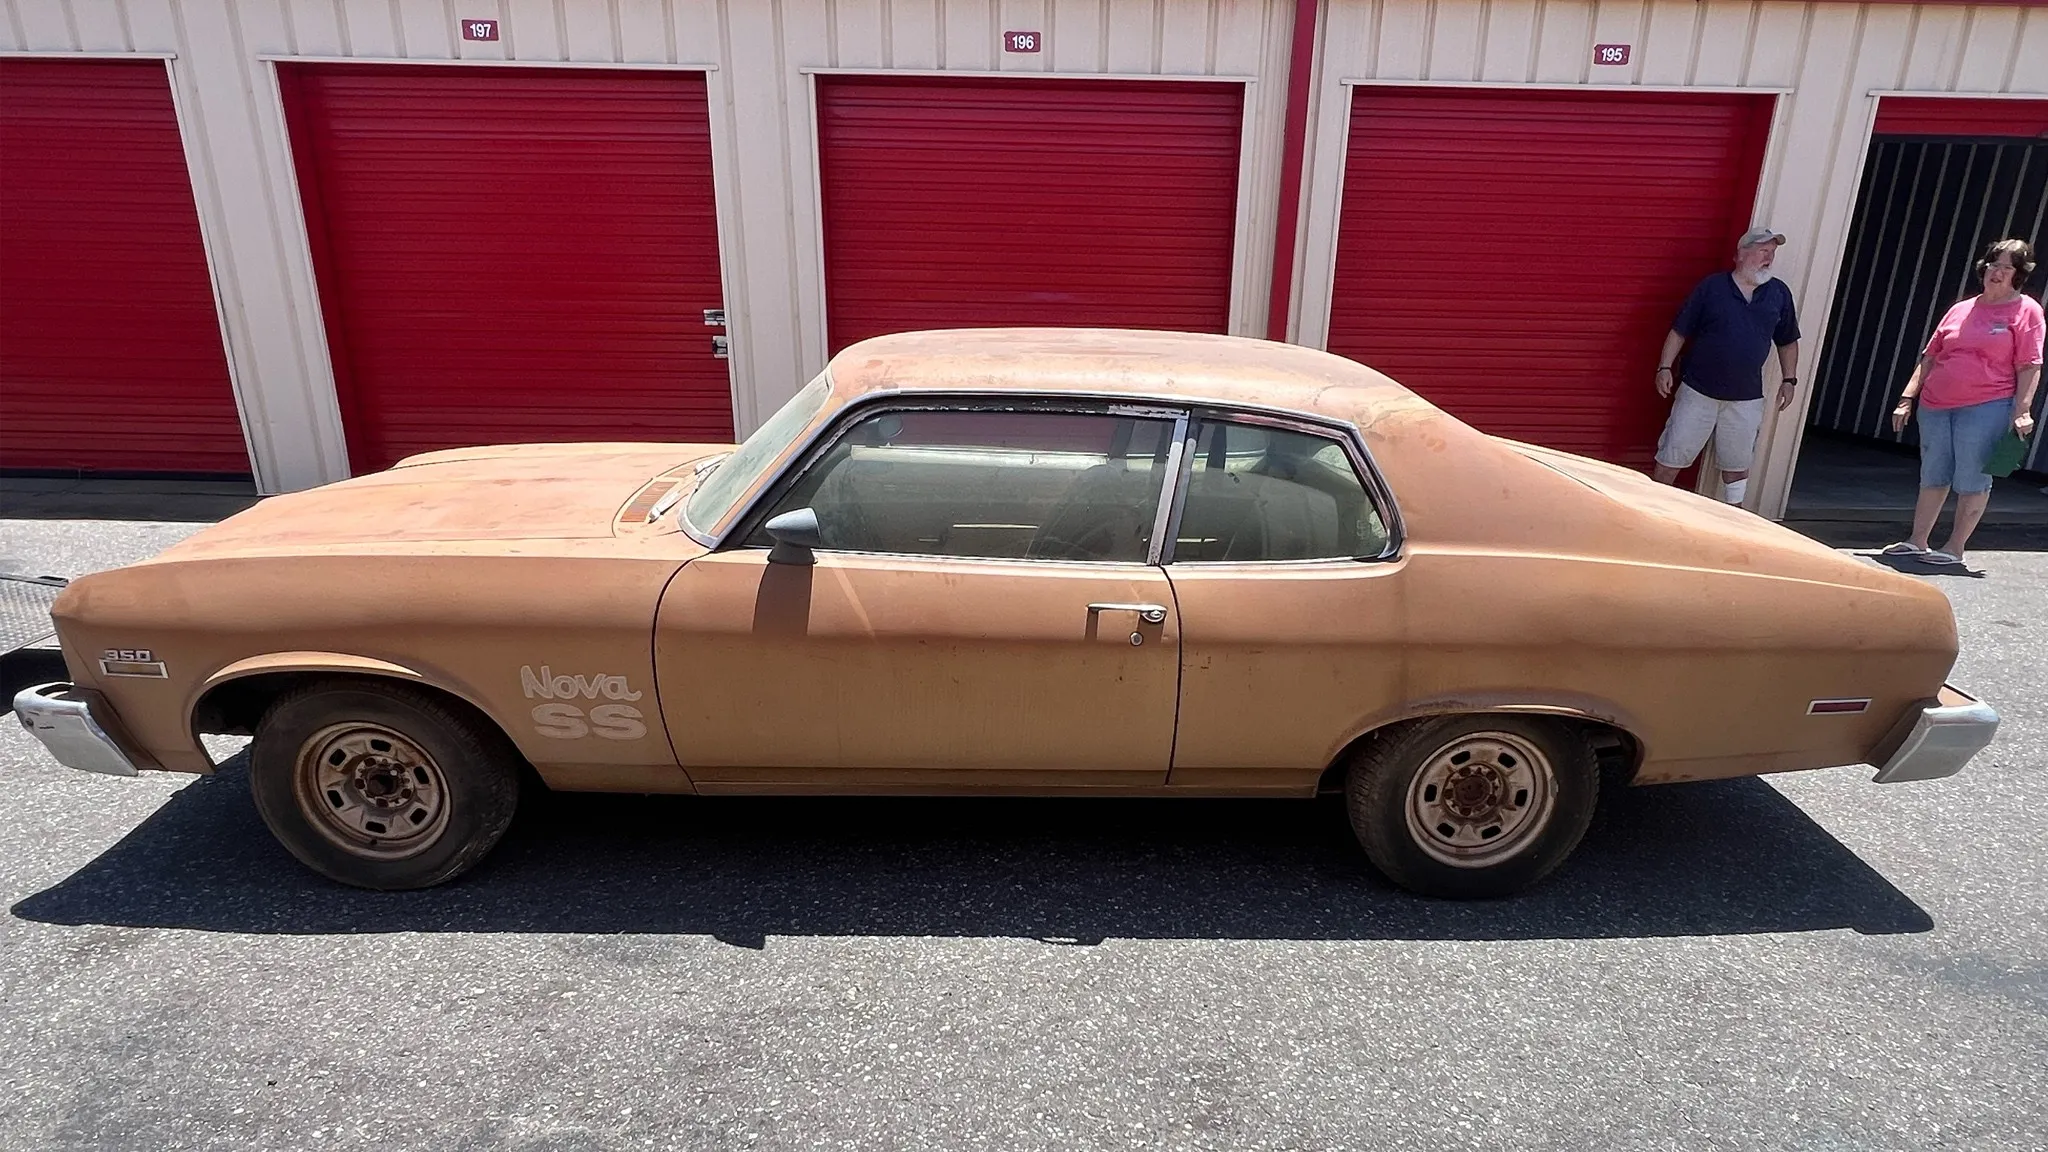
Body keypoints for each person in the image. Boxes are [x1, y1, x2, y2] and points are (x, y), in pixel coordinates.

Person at [1883, 239, 2044, 566]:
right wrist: (1906, 398)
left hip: (1987, 405)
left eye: (2006, 266)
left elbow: (2030, 365)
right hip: (1935, 404)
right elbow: (1930, 358)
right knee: (1933, 473)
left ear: (2018, 274)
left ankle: (1954, 548)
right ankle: (1917, 540)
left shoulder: (2026, 310)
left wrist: (2022, 411)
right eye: (1992, 264)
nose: (1996, 272)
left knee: (1972, 477)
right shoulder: (1961, 308)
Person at [1650, 227, 1802, 505]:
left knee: (1737, 466)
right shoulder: (1712, 287)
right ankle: (1653, 511)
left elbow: (1788, 340)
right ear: (1741, 254)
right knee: (1673, 456)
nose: (1769, 258)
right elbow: (1680, 330)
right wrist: (1664, 367)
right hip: (1698, 391)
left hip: (1746, 398)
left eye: (1772, 253)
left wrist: (1789, 380)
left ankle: (1735, 520)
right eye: (1763, 251)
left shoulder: (1778, 293)